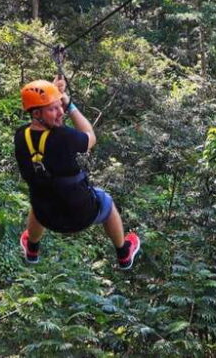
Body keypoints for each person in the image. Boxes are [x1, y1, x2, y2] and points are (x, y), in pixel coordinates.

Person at [14, 77, 141, 269]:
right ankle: (123, 253)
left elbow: (44, 134)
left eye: (60, 107)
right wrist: (70, 105)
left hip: (46, 216)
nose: (60, 113)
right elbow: (90, 137)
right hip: (81, 215)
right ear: (37, 113)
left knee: (39, 195)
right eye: (53, 109)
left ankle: (32, 249)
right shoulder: (64, 137)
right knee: (106, 201)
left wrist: (55, 95)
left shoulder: (21, 136)